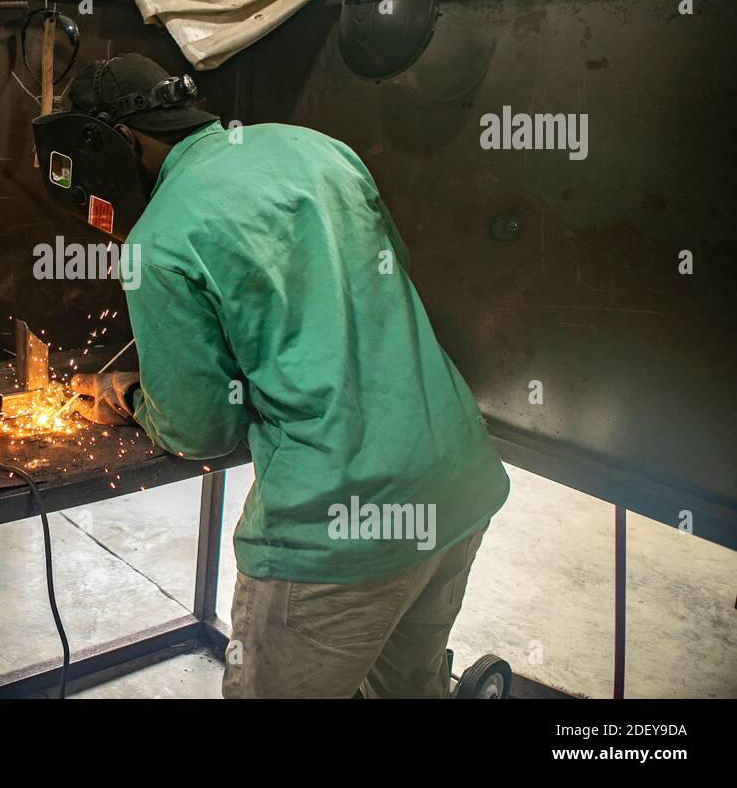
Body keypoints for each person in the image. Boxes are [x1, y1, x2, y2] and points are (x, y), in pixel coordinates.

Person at [65, 53, 510, 698]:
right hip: (457, 482)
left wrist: (130, 396)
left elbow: (199, 428)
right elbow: (386, 275)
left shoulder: (157, 239)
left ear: (118, 143)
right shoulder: (321, 151)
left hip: (337, 528)